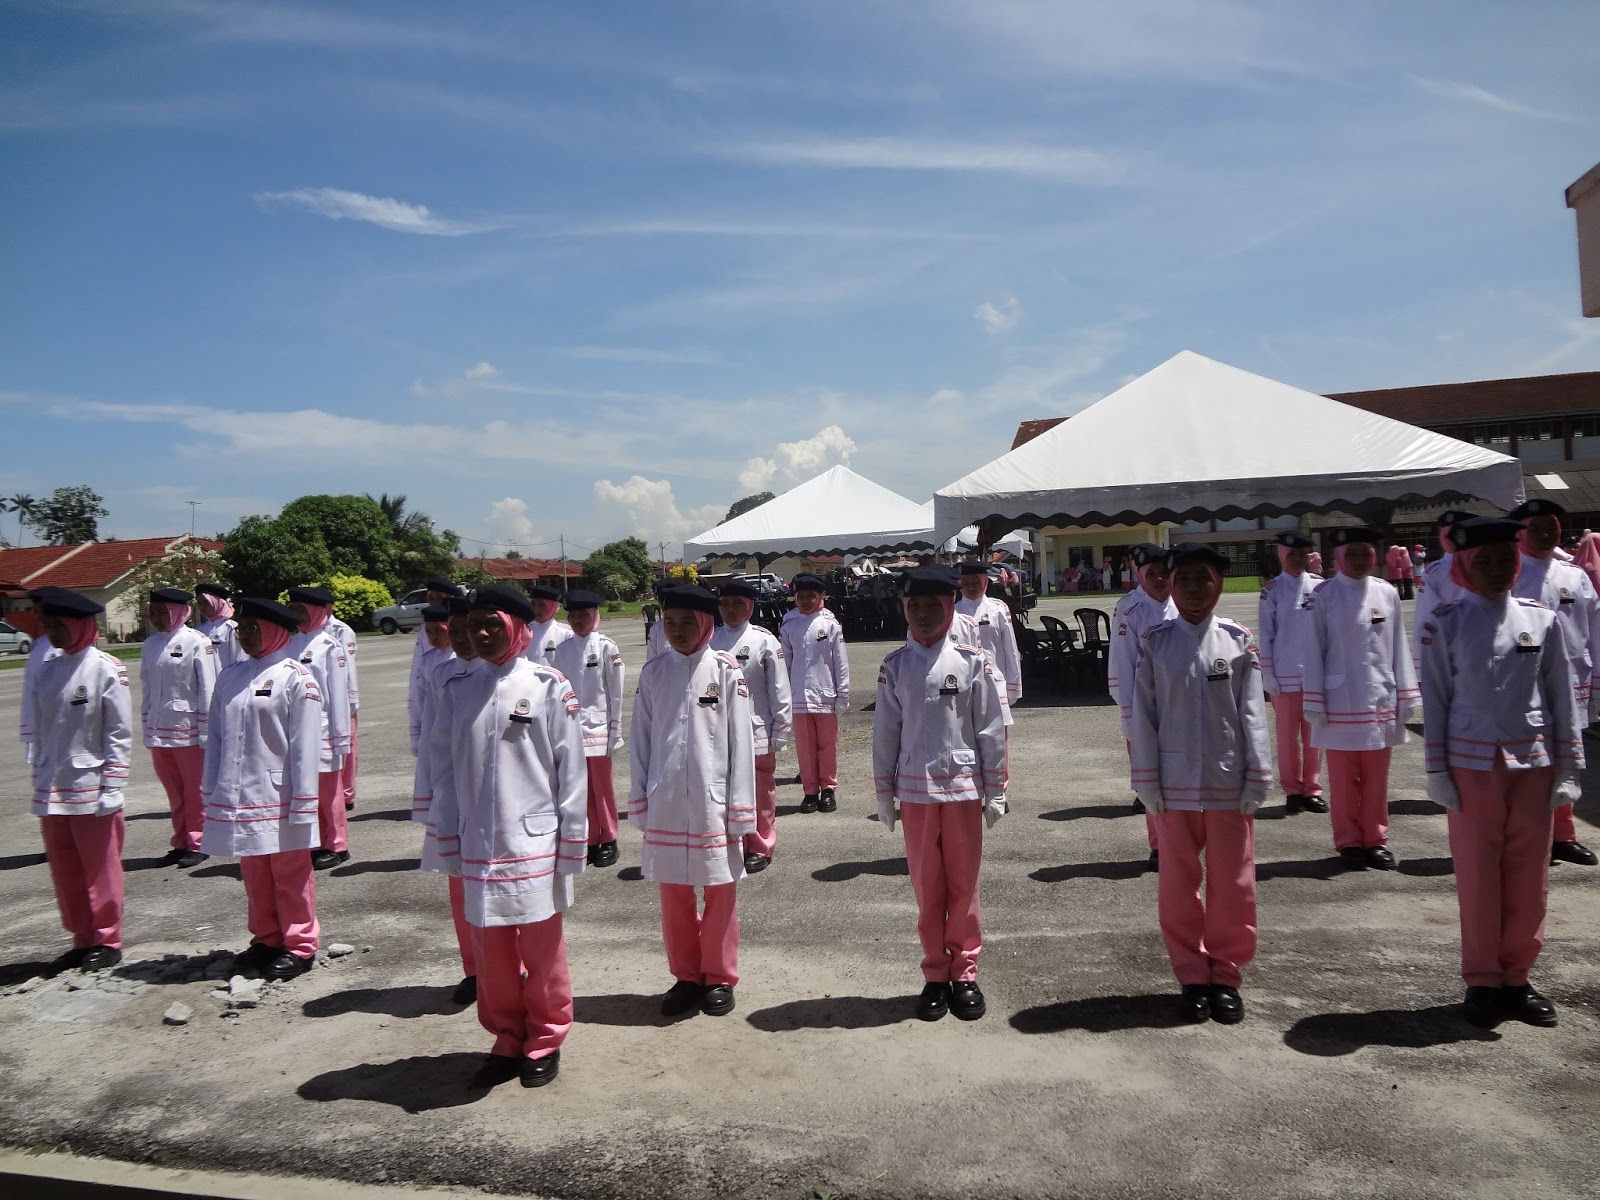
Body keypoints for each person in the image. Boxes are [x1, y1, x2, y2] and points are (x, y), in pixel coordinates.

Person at [1419, 517, 1582, 1028]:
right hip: (1471, 766)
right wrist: (1437, 770)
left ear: (1518, 562)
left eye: (1505, 560)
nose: (1496, 570)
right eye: (1483, 562)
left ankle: (1518, 977)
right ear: (1464, 567)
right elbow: (1436, 701)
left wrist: (1570, 766)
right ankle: (1483, 980)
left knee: (1530, 875)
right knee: (1477, 875)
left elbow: (1561, 696)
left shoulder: (1542, 620)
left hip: (1533, 763)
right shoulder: (1445, 622)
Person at [428, 585, 587, 1089]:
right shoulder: (458, 687)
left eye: (492, 624)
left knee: (541, 947)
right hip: (478, 841)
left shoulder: (546, 684)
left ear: (518, 628)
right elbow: (443, 769)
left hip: (534, 841)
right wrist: (445, 835)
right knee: (490, 949)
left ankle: (545, 1036)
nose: (480, 634)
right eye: (474, 625)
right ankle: (506, 1036)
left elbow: (571, 770)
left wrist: (572, 842)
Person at [1130, 544, 1270, 1024]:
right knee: (1177, 882)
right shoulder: (1156, 642)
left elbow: (1252, 712)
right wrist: (1146, 781)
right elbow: (1143, 716)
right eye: (1184, 579)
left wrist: (1259, 774)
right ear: (1170, 585)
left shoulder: (1237, 640)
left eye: (1202, 578)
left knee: (1234, 882)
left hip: (1228, 781)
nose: (1193, 588)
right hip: (1174, 784)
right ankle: (1191, 973)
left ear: (1218, 584)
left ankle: (1226, 974)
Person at [873, 566, 1007, 1022]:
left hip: (964, 791)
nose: (924, 614)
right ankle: (935, 972)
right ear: (904, 609)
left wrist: (996, 788)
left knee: (964, 885)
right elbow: (885, 736)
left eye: (934, 605)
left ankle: (965, 972)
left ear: (950, 608)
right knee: (927, 888)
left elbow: (990, 729)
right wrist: (883, 794)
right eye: (915, 606)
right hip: (915, 794)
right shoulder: (895, 666)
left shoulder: (972, 662)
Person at [628, 585, 755, 1018]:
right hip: (665, 800)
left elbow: (741, 742)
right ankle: (685, 975)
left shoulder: (725, 670)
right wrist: (640, 797)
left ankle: (719, 974)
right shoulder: (653, 672)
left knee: (720, 888)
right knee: (673, 893)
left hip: (712, 803)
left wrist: (740, 808)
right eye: (670, 622)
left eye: (687, 622)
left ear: (705, 624)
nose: (678, 631)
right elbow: (641, 740)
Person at [200, 597, 325, 982]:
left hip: (280, 794)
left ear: (273, 630)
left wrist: (305, 803)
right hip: (241, 794)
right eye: (241, 628)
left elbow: (305, 747)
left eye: (253, 628)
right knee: (254, 870)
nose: (244, 635)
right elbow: (216, 737)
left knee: (290, 872)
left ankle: (299, 943)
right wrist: (211, 786)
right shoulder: (230, 677)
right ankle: (266, 937)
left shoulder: (296, 678)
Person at [1302, 527, 1420, 870]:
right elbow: (1312, 650)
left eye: (1364, 554)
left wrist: (1405, 693)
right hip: (1339, 701)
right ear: (1338, 557)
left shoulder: (1387, 592)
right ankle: (1349, 841)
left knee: (1376, 779)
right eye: (1350, 554)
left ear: (1375, 556)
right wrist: (1314, 700)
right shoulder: (1323, 595)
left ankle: (1376, 839)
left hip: (1379, 698)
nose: (1358, 561)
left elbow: (1398, 644)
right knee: (1342, 781)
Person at [30, 589, 132, 972]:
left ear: (79, 625)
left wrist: (114, 785)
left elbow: (118, 732)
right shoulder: (47, 670)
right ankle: (81, 936)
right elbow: (42, 730)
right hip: (54, 787)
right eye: (47, 625)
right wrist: (40, 772)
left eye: (58, 625)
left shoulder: (105, 668)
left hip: (92, 785)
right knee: (64, 867)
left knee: (100, 867)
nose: (51, 632)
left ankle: (107, 938)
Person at [1507, 498, 1599, 867]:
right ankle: (1531, 836)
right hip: (1526, 683)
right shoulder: (1509, 572)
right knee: (1532, 763)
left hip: (1574, 679)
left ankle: (1563, 835)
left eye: (1552, 528)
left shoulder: (1574, 575)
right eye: (1537, 529)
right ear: (1520, 534)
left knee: (1567, 756)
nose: (1546, 535)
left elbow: (1594, 628)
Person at [413, 595, 480, 1005]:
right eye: (453, 631)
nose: (459, 638)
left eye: (466, 629)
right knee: (461, 888)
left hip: (501, 804)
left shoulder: (518, 675)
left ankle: (515, 965)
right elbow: (431, 745)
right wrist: (429, 803)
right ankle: (475, 968)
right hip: (455, 801)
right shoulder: (442, 676)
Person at [712, 579, 792, 874]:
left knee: (760, 792)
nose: (731, 610)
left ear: (750, 607)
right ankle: (733, 843)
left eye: (738, 604)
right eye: (725, 604)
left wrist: (781, 727)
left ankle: (760, 845)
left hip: (757, 728)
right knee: (726, 790)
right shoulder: (711, 639)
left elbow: (779, 687)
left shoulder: (764, 640)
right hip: (720, 731)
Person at [1108, 543, 1177, 865]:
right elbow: (1121, 664)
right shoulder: (1131, 609)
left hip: (1180, 705)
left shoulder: (1182, 602)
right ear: (1140, 575)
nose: (1160, 580)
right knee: (1152, 778)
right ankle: (1160, 844)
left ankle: (1181, 841)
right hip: (1145, 708)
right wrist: (1129, 713)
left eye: (1164, 573)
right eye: (1152, 574)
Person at [140, 587, 219, 868]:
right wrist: (146, 725)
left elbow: (208, 688)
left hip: (189, 729)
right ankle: (181, 840)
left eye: (163, 612)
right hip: (160, 729)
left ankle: (199, 841)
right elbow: (147, 688)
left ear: (179, 612)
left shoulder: (197, 642)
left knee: (195, 790)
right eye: (153, 612)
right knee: (174, 790)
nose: (157, 617)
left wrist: (206, 730)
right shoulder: (150, 645)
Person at [550, 590, 626, 869]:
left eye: (583, 615)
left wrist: (614, 731)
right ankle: (589, 837)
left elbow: (615, 692)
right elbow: (557, 692)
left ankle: (609, 837)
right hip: (572, 729)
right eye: (572, 615)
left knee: (602, 788)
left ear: (594, 616)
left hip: (599, 728)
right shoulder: (562, 650)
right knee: (578, 787)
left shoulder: (606, 646)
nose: (577, 620)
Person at [1257, 532, 1327, 815]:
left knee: (1314, 735)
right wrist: (1268, 674)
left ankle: (1312, 788)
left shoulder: (1321, 586)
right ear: (1282, 555)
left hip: (1315, 674)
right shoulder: (1272, 591)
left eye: (1303, 554)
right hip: (1284, 675)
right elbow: (1267, 635)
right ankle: (1292, 789)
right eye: (1292, 554)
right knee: (1287, 738)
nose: (1298, 559)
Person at [286, 586, 353, 870]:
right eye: (292, 608)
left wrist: (341, 739)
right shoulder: (289, 643)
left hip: (324, 731)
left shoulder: (329, 646)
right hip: (296, 732)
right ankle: (313, 843)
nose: (295, 614)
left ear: (314, 611)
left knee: (328, 795)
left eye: (300, 609)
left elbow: (338, 696)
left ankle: (337, 845)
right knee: (304, 792)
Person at [780, 572, 849, 814]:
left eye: (811, 596)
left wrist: (843, 693)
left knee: (827, 745)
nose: (806, 601)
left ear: (819, 597)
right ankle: (810, 791)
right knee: (805, 747)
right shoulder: (789, 625)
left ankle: (828, 788)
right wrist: (783, 695)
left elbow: (840, 661)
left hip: (825, 696)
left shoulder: (830, 624)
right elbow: (784, 664)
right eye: (801, 597)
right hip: (798, 697)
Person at [1413, 510, 1477, 668]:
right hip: (1449, 644)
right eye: (1448, 536)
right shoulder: (1434, 573)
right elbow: (1426, 616)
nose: (1453, 541)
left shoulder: (1485, 565)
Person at [956, 562, 1023, 711]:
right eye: (965, 584)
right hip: (964, 682)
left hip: (995, 680)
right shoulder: (953, 612)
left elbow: (1010, 648)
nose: (971, 588)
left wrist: (1013, 685)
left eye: (976, 583)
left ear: (985, 582)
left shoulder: (998, 608)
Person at [323, 601, 361, 813]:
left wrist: (352, 700)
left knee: (347, 746)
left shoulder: (341, 630)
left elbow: (349, 667)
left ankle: (347, 793)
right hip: (320, 699)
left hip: (343, 697)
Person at [18, 588, 62, 765]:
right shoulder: (39, 644)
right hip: (37, 716)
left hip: (54, 721)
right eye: (33, 610)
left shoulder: (60, 645)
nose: (34, 615)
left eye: (38, 610)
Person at [407, 606, 454, 755]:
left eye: (439, 631)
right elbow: (418, 695)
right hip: (432, 723)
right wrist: (417, 732)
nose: (433, 636)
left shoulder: (461, 658)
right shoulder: (428, 660)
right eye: (428, 631)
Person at [521, 584, 573, 667]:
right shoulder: (523, 631)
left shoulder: (565, 634)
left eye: (542, 605)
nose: (536, 609)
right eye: (533, 604)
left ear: (552, 607)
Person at [194, 583, 243, 669]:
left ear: (217, 603)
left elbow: (239, 659)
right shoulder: (199, 630)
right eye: (199, 603)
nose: (201, 607)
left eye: (206, 603)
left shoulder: (231, 628)